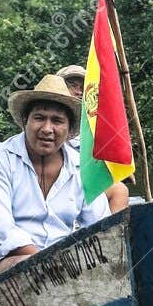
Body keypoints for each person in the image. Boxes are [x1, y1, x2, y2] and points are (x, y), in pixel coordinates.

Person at [0, 74, 110, 284]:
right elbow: (1, 229)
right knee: (26, 265)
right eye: (39, 118)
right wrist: (49, 265)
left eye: (57, 121)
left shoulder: (81, 167)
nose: (47, 129)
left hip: (63, 267)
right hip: (2, 263)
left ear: (69, 129)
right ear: (26, 121)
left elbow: (100, 226)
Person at [56, 62, 132, 215]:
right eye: (72, 86)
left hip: (84, 180)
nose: (79, 91)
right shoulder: (50, 119)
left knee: (120, 190)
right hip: (60, 180)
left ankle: (111, 229)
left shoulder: (91, 124)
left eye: (83, 87)